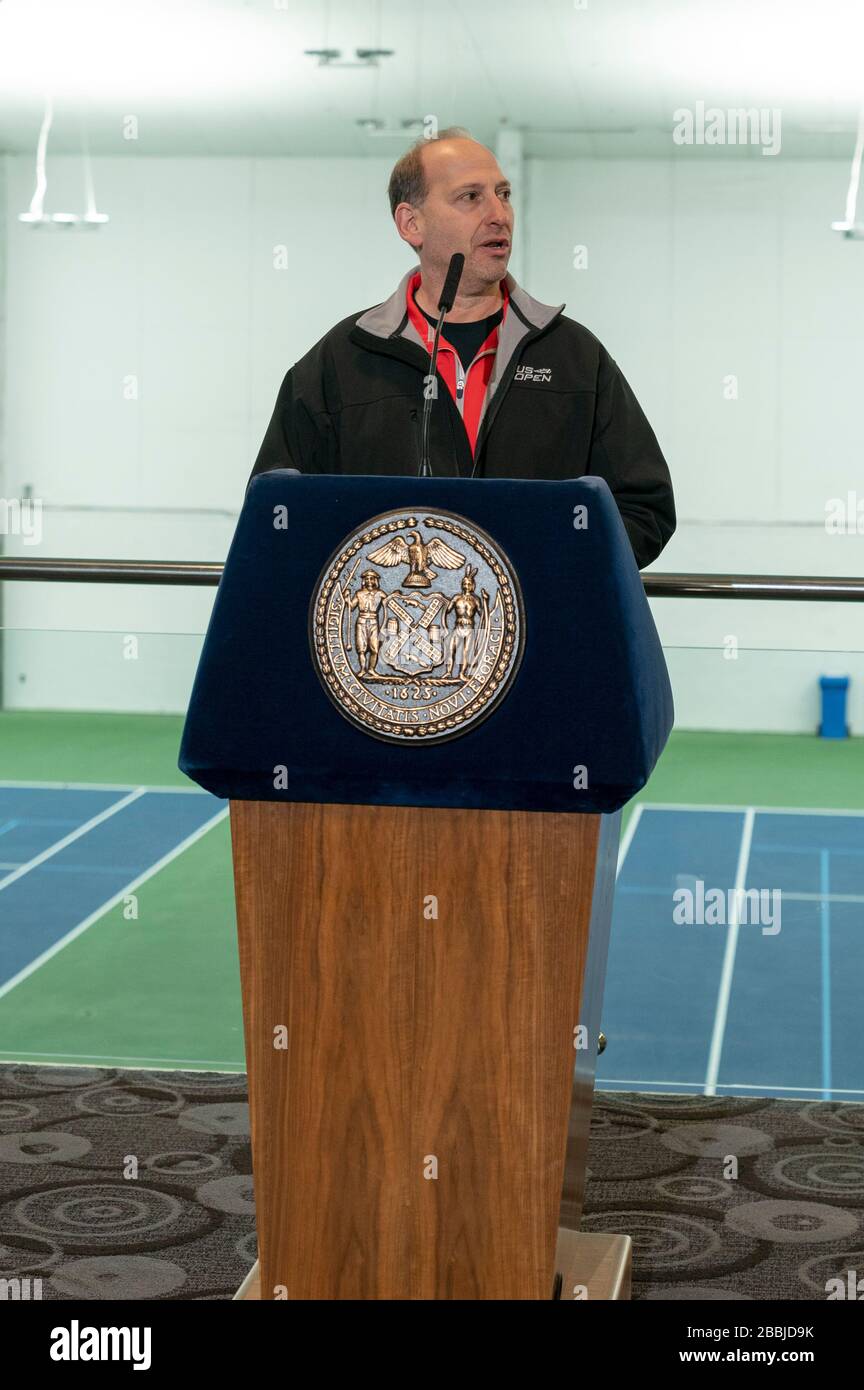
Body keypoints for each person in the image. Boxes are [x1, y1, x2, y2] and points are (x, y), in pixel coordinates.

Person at [249, 127, 675, 569]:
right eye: (470, 197)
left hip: (538, 631)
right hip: (394, 630)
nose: (499, 214)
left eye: (503, 193)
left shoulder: (574, 355)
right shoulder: (341, 359)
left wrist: (550, 568)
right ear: (411, 223)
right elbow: (278, 510)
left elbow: (645, 506)